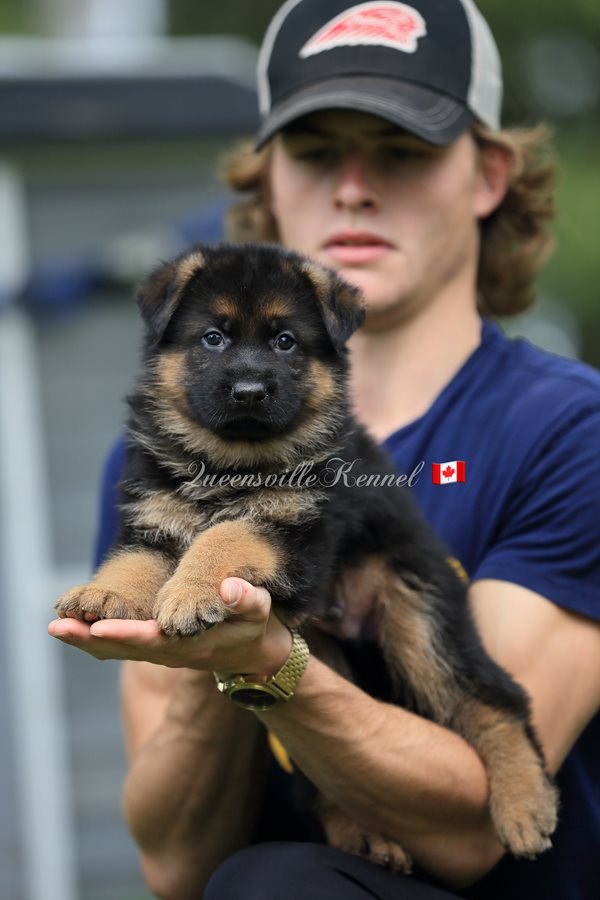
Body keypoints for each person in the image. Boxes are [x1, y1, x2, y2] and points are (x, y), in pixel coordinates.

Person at [48, 1, 600, 898]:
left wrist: (272, 661)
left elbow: (467, 841)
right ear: (265, 176)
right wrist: (209, 649)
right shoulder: (149, 451)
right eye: (313, 150)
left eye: (401, 148)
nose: (353, 186)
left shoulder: (570, 433)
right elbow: (173, 863)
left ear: (489, 173)